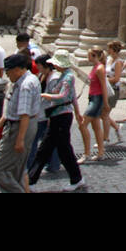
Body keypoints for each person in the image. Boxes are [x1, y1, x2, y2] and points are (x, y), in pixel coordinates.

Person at [27, 52, 85, 191]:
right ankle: (31, 181)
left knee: (56, 150)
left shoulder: (68, 77)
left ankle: (31, 181)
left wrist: (44, 95)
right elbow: (72, 97)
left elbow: (64, 96)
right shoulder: (64, 76)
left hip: (62, 117)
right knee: (54, 149)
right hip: (57, 116)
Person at [0, 52, 40, 193]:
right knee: (17, 171)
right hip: (22, 126)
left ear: (17, 69)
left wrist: (20, 139)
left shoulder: (25, 85)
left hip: (19, 128)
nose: (7, 75)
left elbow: (24, 114)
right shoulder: (28, 80)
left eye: (8, 71)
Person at [79, 47, 108, 161]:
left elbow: (104, 86)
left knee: (83, 124)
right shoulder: (96, 67)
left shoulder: (100, 68)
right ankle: (100, 152)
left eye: (89, 55)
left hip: (97, 99)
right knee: (96, 126)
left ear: (94, 55)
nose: (87, 57)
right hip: (93, 98)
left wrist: (105, 103)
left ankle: (86, 153)